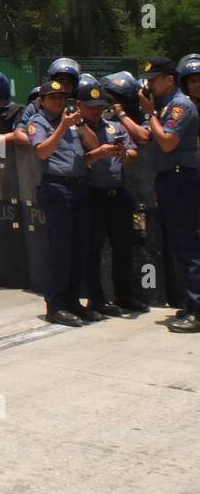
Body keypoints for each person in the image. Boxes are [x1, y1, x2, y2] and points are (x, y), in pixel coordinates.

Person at [24, 77, 96, 327]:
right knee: (60, 250)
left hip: (80, 187)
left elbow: (93, 146)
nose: (58, 101)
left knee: (79, 249)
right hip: (57, 188)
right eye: (53, 98)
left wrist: (80, 123)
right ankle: (56, 305)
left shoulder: (74, 122)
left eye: (62, 98)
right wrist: (63, 127)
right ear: (42, 101)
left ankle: (73, 300)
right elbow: (42, 151)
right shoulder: (38, 122)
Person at [77, 77, 148, 317]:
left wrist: (124, 153)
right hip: (92, 194)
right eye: (91, 106)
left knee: (123, 247)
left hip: (118, 193)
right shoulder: (75, 129)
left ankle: (125, 295)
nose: (96, 111)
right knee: (93, 249)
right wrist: (97, 154)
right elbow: (77, 161)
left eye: (99, 106)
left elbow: (134, 151)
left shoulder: (113, 127)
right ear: (79, 106)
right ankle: (96, 299)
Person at [139, 58, 200, 332]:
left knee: (188, 246)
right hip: (169, 178)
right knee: (180, 244)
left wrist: (150, 114)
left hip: (180, 179)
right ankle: (191, 302)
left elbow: (167, 142)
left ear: (169, 79)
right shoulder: (167, 107)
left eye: (154, 80)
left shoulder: (180, 106)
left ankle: (197, 310)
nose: (150, 85)